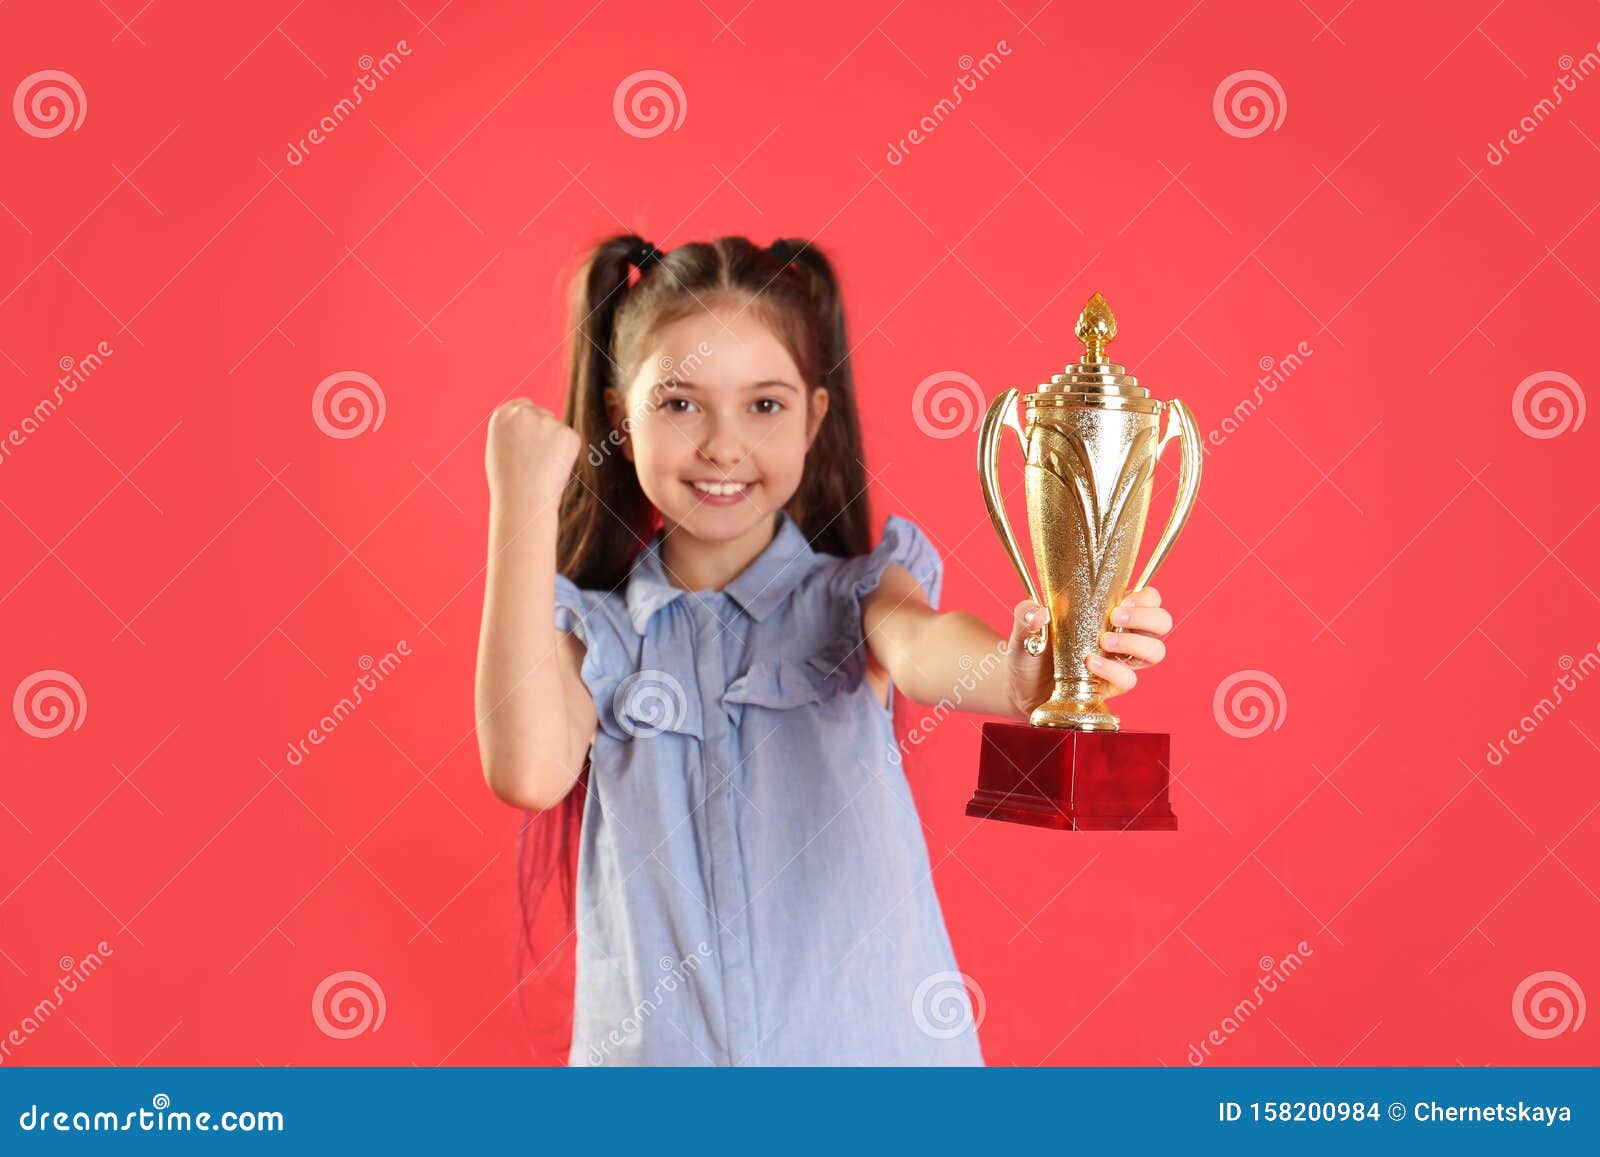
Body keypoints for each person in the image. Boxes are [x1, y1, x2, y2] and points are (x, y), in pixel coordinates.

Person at [473, 234, 1174, 1065]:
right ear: (620, 419)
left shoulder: (857, 596)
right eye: (680, 403)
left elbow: (927, 648)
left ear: (813, 417)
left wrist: (1031, 670)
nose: (723, 444)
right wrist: (522, 502)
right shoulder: (598, 633)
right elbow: (526, 770)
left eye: (763, 406)